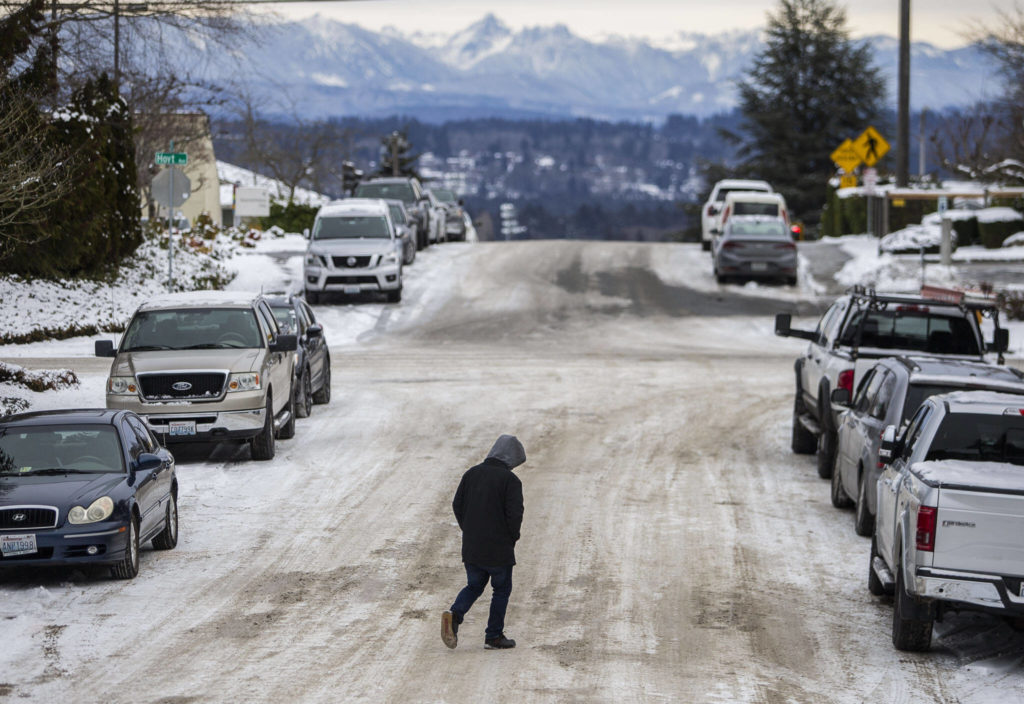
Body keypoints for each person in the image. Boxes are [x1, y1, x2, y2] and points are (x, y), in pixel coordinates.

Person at [442, 434, 525, 650]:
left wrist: (469, 530)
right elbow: (515, 514)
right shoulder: (510, 481)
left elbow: (457, 504)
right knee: (501, 589)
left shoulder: (471, 474)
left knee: (474, 584)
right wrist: (511, 538)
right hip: (499, 549)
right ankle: (494, 636)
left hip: (473, 547)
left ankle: (455, 614)